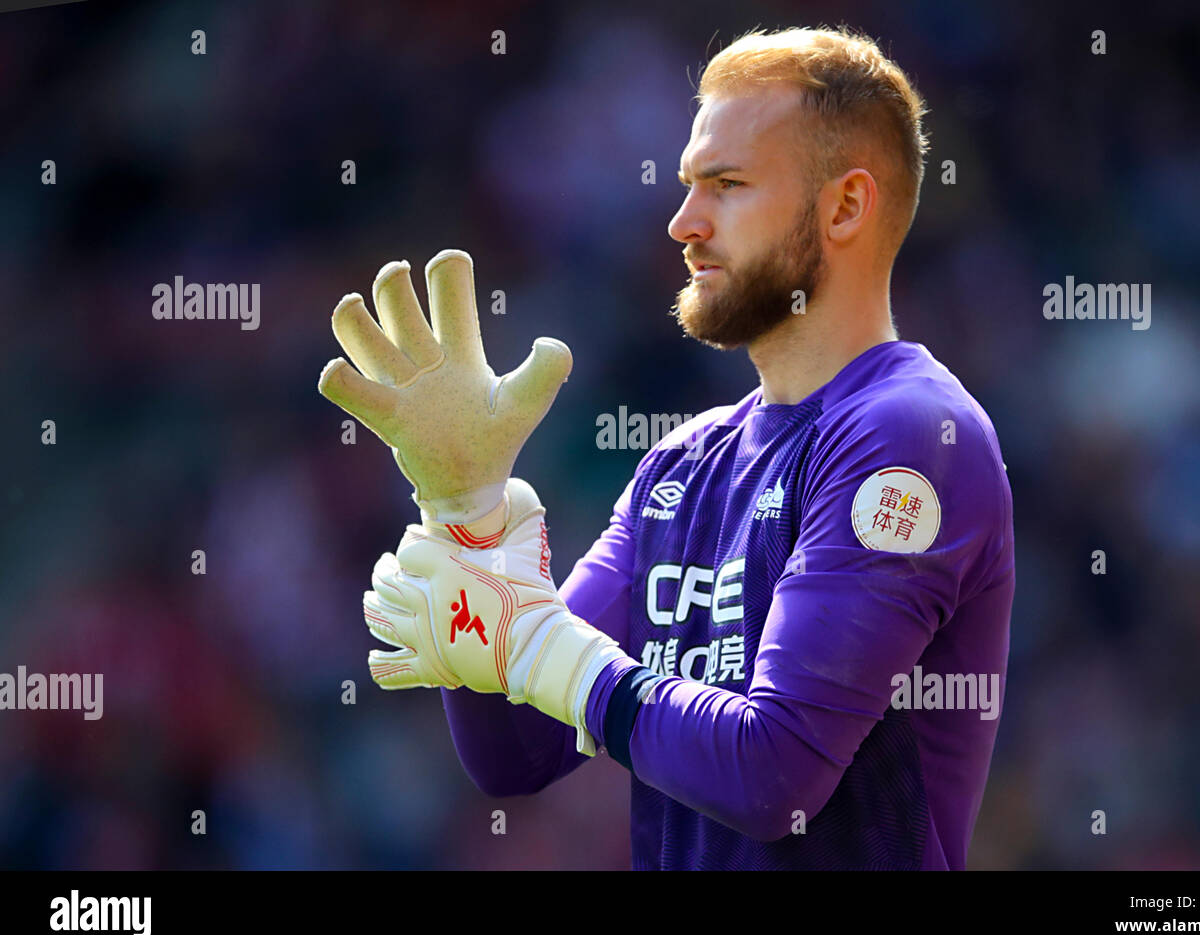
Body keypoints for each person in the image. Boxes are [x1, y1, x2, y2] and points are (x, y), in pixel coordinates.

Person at [321, 26, 1014, 870]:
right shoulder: (680, 467)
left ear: (844, 207)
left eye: (726, 185)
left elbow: (773, 777)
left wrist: (538, 647)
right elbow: (519, 752)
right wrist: (468, 511)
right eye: (689, 185)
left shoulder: (911, 435)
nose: (683, 222)